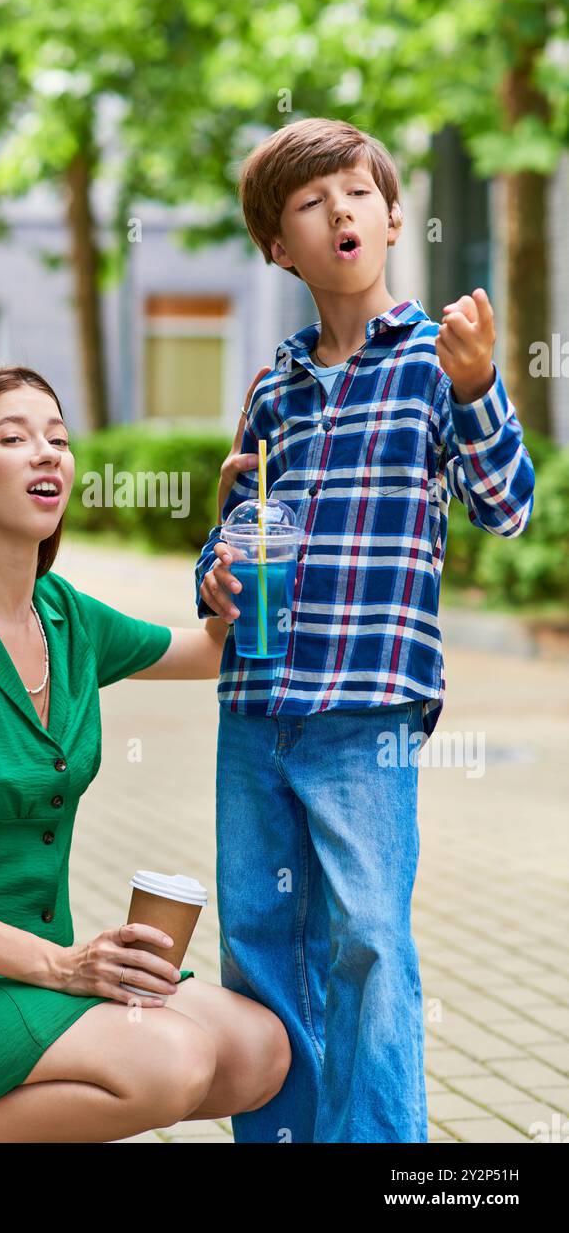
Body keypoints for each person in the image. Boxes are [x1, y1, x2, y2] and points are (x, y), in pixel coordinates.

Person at [0, 363, 290, 1143]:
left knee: (258, 1052)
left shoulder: (65, 616)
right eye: (14, 439)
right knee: (166, 1064)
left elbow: (213, 650)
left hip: (40, 980)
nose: (47, 454)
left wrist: (233, 538)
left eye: (59, 439)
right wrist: (60, 966)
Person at [195, 117, 535, 1143]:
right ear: (275, 245)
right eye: (307, 200)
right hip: (255, 709)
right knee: (257, 943)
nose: (336, 209)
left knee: (366, 940)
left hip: (365, 708)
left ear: (392, 218)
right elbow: (237, 537)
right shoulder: (272, 390)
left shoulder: (437, 364)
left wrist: (478, 388)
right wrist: (211, 575)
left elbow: (505, 508)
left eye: (354, 191)